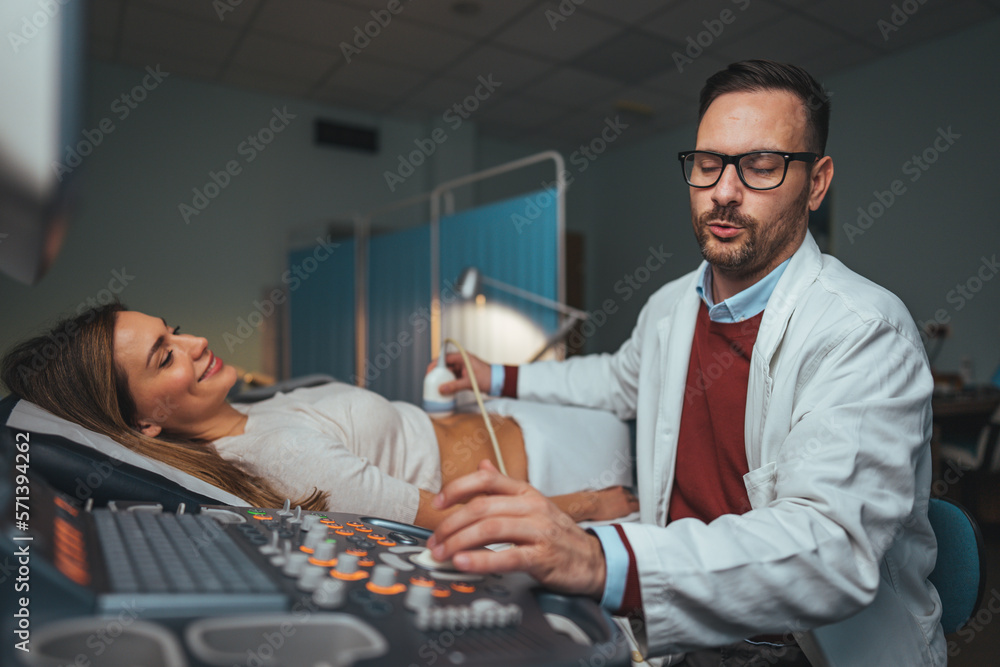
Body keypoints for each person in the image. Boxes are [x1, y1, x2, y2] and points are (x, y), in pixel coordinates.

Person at [425, 60, 945, 666]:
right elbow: (613, 380)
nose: (724, 191)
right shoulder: (671, 307)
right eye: (708, 164)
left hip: (803, 649)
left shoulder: (864, 331)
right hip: (684, 630)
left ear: (816, 183)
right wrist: (497, 376)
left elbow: (829, 548)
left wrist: (597, 558)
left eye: (761, 166)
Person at [0, 303, 637, 529]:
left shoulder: (253, 413)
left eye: (174, 330)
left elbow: (404, 447)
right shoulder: (277, 458)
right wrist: (588, 505)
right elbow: (447, 518)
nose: (195, 344)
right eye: (165, 356)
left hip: (529, 424)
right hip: (563, 469)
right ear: (142, 425)